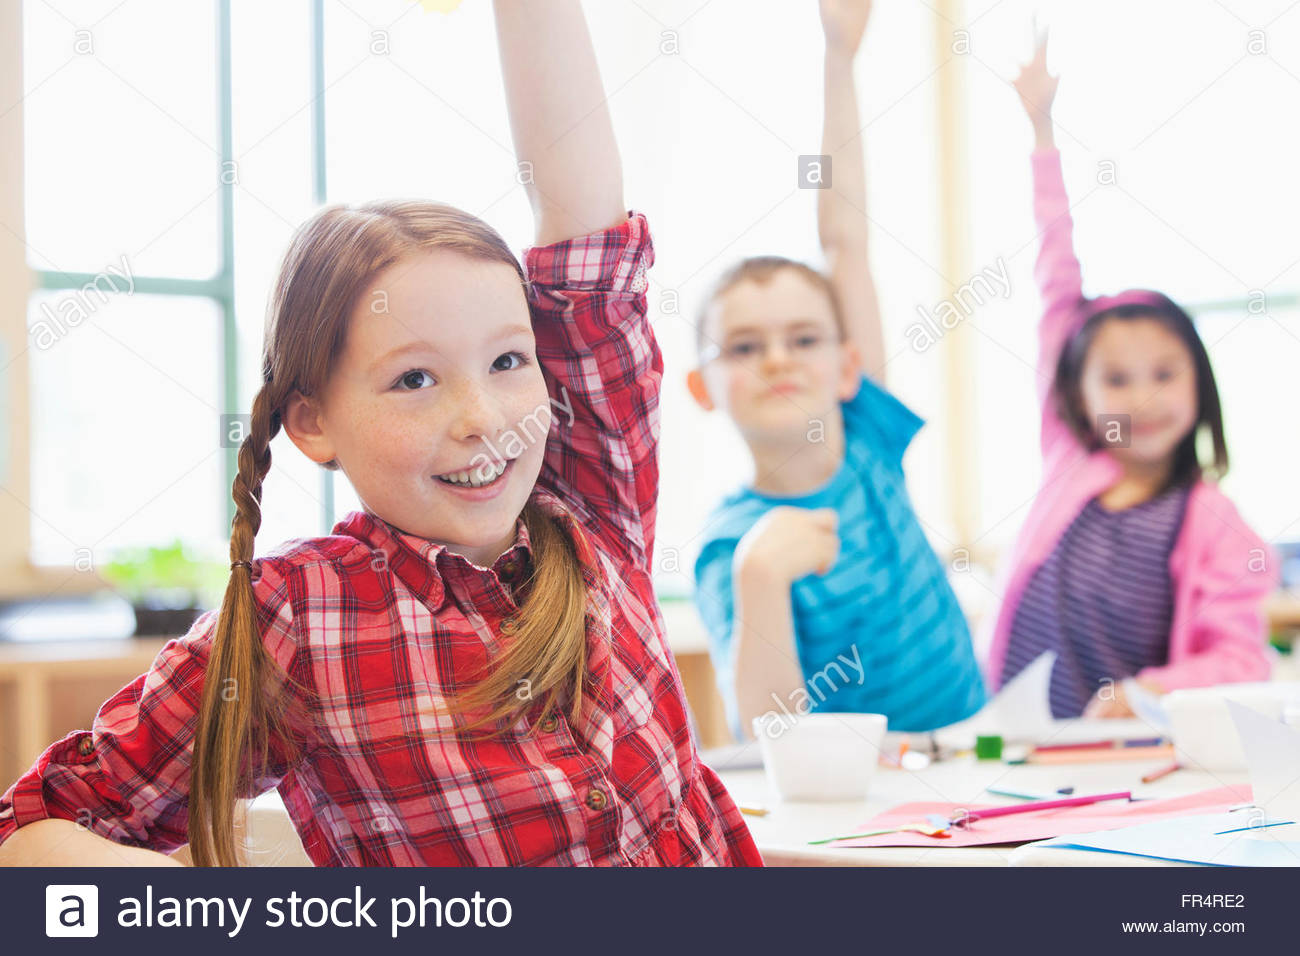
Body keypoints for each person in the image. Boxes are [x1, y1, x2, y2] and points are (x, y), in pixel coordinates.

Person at [0, 0, 761, 867]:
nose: (482, 420)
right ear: (314, 422)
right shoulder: (296, 619)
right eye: (414, 379)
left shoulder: (592, 496)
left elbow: (585, 218)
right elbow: (32, 830)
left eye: (509, 361)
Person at [687, 0, 985, 741]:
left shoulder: (868, 438)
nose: (778, 358)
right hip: (866, 814)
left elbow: (845, 242)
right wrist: (761, 580)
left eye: (803, 338)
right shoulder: (732, 543)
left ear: (849, 367)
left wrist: (839, 56)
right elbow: (768, 737)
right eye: (745, 347)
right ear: (703, 388)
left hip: (977, 761)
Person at [983, 30, 1275, 719]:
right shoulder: (1069, 456)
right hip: (1019, 750)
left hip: (1132, 767)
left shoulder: (1215, 522)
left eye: (1165, 374)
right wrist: (1040, 131)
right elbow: (1056, 277)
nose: (1141, 398)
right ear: (1075, 397)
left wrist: (1149, 695)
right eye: (1115, 380)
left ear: (1200, 386)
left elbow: (1243, 659)